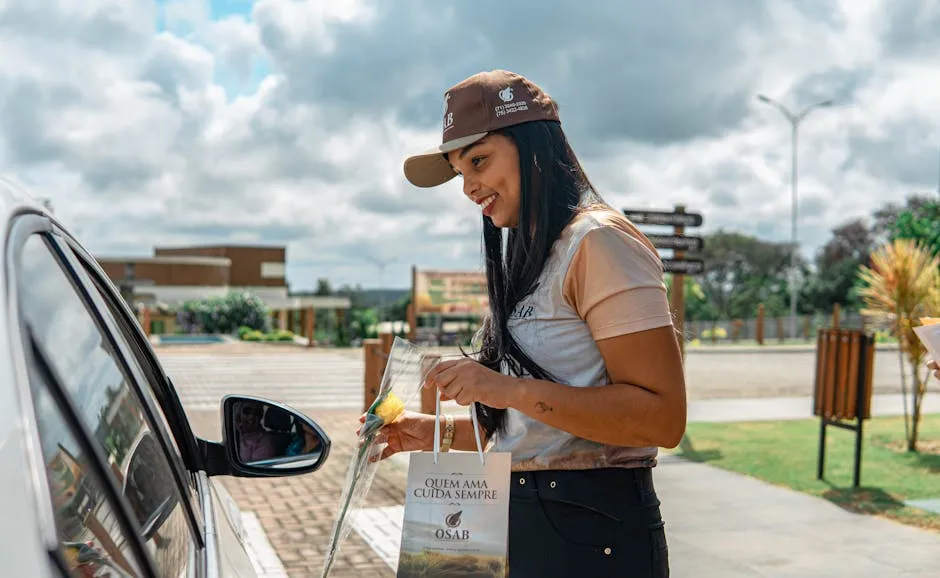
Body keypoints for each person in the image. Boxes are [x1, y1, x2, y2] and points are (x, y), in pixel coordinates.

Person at [371, 70, 686, 577]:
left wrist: (503, 389)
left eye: (478, 161)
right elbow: (542, 432)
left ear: (533, 146)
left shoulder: (599, 241)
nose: (469, 188)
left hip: (590, 533)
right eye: (459, 172)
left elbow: (662, 419)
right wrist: (435, 433)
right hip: (528, 521)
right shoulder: (532, 255)